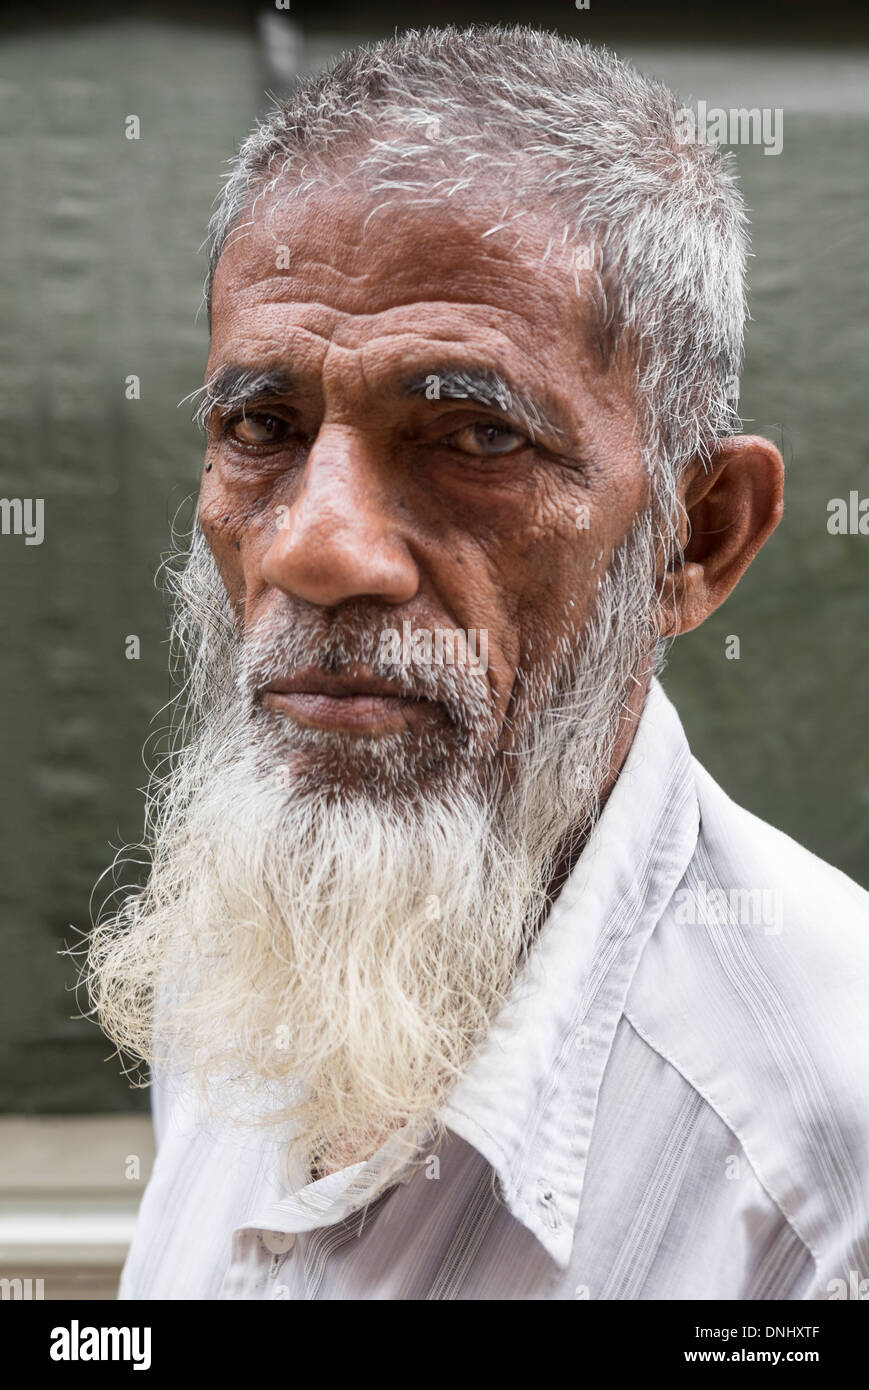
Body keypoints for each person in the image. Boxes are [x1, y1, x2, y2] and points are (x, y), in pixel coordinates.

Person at [88, 25, 869, 1300]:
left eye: (470, 434)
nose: (318, 547)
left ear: (697, 533)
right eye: (260, 427)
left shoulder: (820, 1171)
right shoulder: (236, 949)